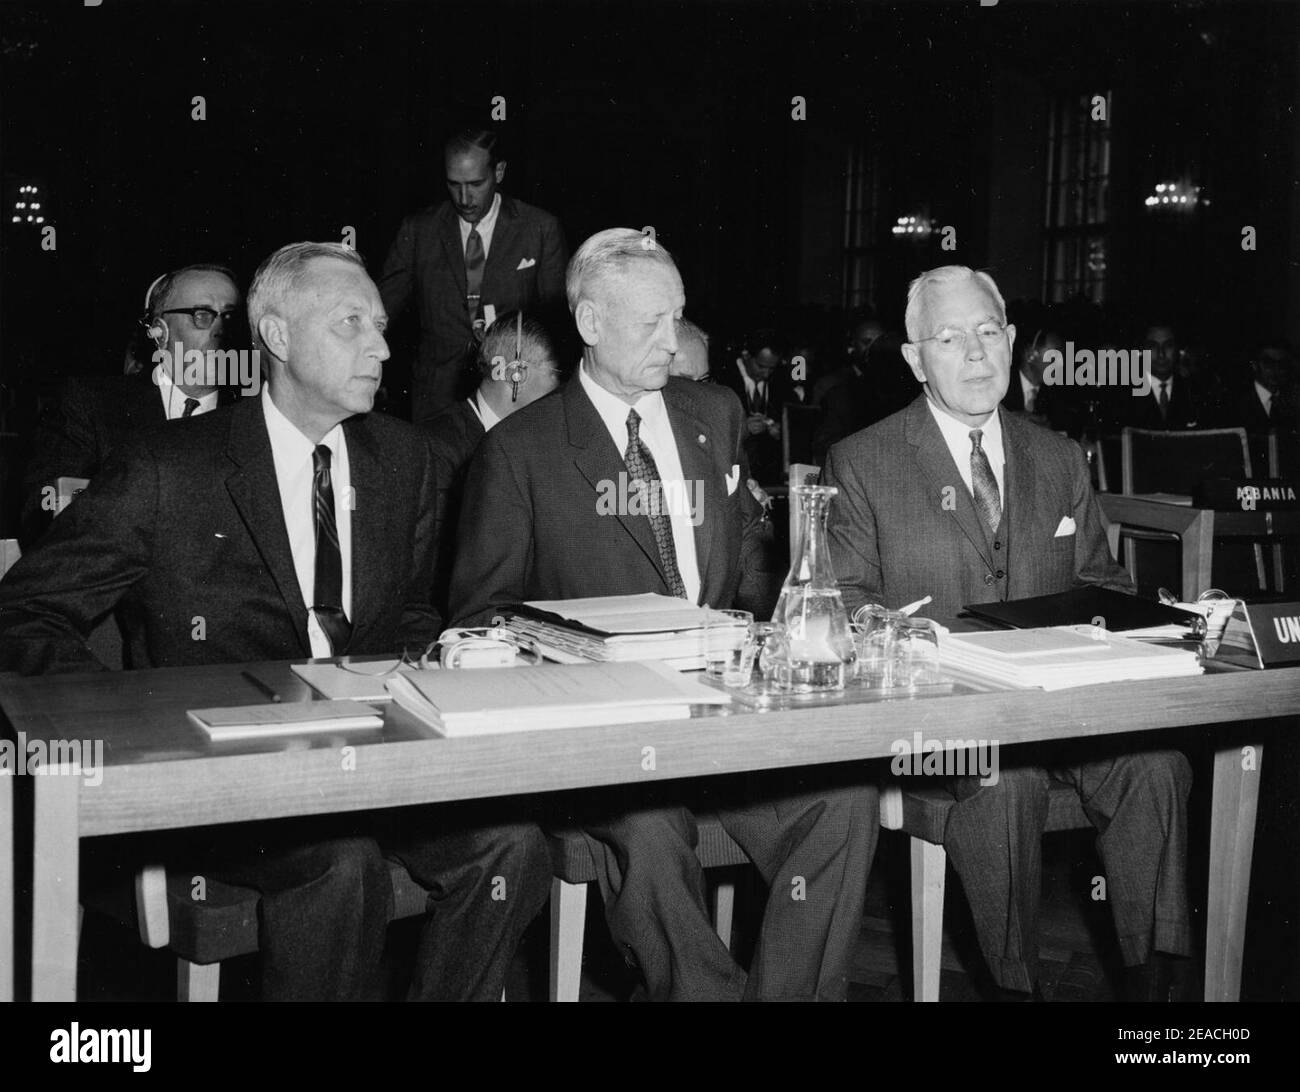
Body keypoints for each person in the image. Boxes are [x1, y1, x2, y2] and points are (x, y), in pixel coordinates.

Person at [0, 241, 550, 1001]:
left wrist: (440, 659)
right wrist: (136, 723)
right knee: (341, 861)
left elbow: (415, 610)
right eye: (350, 323)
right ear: (279, 338)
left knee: (514, 849)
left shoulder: (409, 460)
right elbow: (25, 612)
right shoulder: (169, 467)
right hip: (231, 789)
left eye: (382, 324)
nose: (382, 346)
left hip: (379, 768)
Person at [450, 228, 874, 1001]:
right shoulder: (519, 453)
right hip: (607, 737)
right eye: (648, 323)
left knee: (841, 804)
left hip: (727, 717)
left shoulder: (713, 411)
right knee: (648, 833)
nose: (671, 342)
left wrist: (782, 625)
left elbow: (748, 554)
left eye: (676, 318)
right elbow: (482, 621)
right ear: (588, 324)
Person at [822, 265, 1193, 1001]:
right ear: (913, 358)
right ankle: (1013, 988)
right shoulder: (863, 461)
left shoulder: (1058, 457)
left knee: (1157, 765)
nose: (975, 354)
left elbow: (1104, 584)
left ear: (1014, 341)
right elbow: (846, 606)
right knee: (1006, 782)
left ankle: (1160, 1000)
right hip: (940, 728)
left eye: (989, 333)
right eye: (949, 338)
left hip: (1065, 714)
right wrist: (910, 641)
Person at [20, 264, 244, 545]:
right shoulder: (93, 405)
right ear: (159, 331)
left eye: (230, 317)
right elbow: (40, 512)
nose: (220, 329)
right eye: (202, 316)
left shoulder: (255, 414)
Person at [379, 128, 568, 426]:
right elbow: (382, 311)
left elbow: (555, 328)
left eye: (476, 184)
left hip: (515, 395)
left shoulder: (540, 229)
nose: (464, 198)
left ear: (500, 172)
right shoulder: (418, 231)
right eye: (454, 185)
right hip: (436, 399)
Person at [426, 310, 563, 617]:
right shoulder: (434, 448)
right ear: (513, 372)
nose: (563, 387)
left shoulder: (543, 446)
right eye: (556, 372)